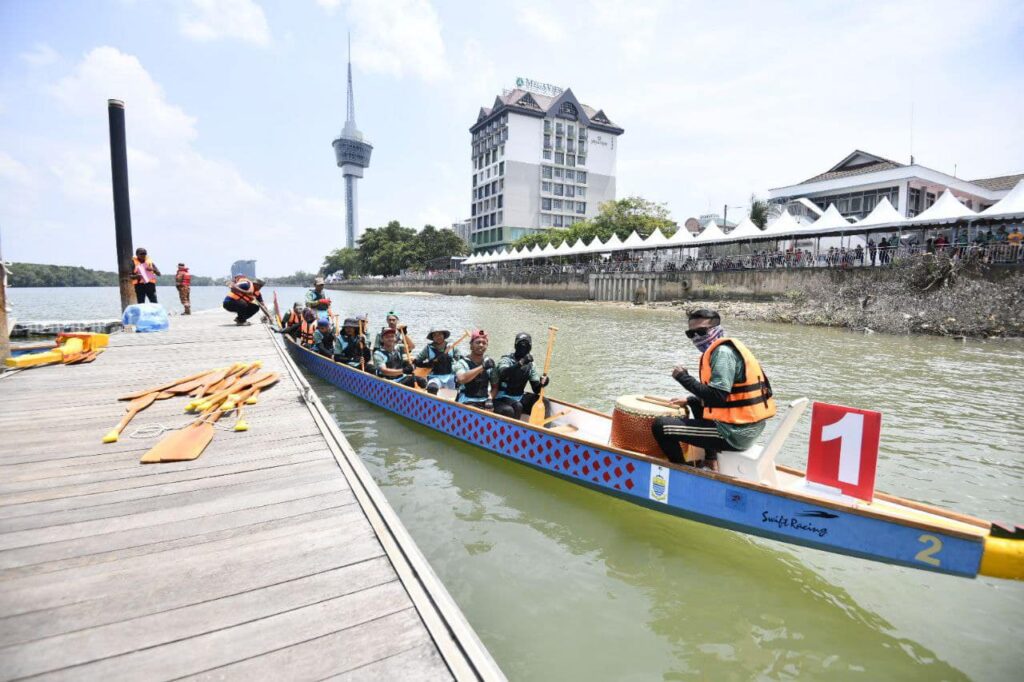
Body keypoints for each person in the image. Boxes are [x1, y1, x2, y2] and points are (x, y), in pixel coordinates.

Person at [651, 309, 777, 471]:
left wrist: (684, 377)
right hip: (746, 428)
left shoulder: (723, 354)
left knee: (661, 426)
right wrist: (690, 400)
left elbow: (716, 397)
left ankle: (681, 471)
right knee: (696, 404)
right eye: (691, 334)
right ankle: (711, 460)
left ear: (716, 329)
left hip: (735, 434)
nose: (696, 337)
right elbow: (723, 397)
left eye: (701, 331)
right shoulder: (722, 350)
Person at [492, 332, 549, 420]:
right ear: (515, 345)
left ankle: (543, 430)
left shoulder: (531, 365)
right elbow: (503, 373)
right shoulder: (506, 360)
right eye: (521, 344)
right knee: (516, 407)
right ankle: (513, 432)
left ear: (530, 347)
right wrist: (521, 362)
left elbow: (536, 389)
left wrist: (542, 383)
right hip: (502, 397)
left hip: (519, 396)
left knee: (545, 402)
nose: (523, 347)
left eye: (526, 345)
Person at [455, 329, 495, 407]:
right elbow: (461, 379)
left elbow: (495, 387)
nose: (481, 345)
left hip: (484, 400)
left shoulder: (490, 363)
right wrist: (482, 367)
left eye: (484, 343)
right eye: (478, 342)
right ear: (471, 345)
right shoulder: (461, 363)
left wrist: (490, 399)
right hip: (466, 400)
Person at [415, 328, 461, 395]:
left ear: (444, 335)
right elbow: (417, 360)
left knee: (457, 393)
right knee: (432, 388)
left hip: (451, 376)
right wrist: (428, 364)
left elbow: (460, 362)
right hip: (434, 376)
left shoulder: (452, 347)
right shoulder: (428, 348)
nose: (438, 337)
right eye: (435, 335)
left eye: (440, 334)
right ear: (432, 338)